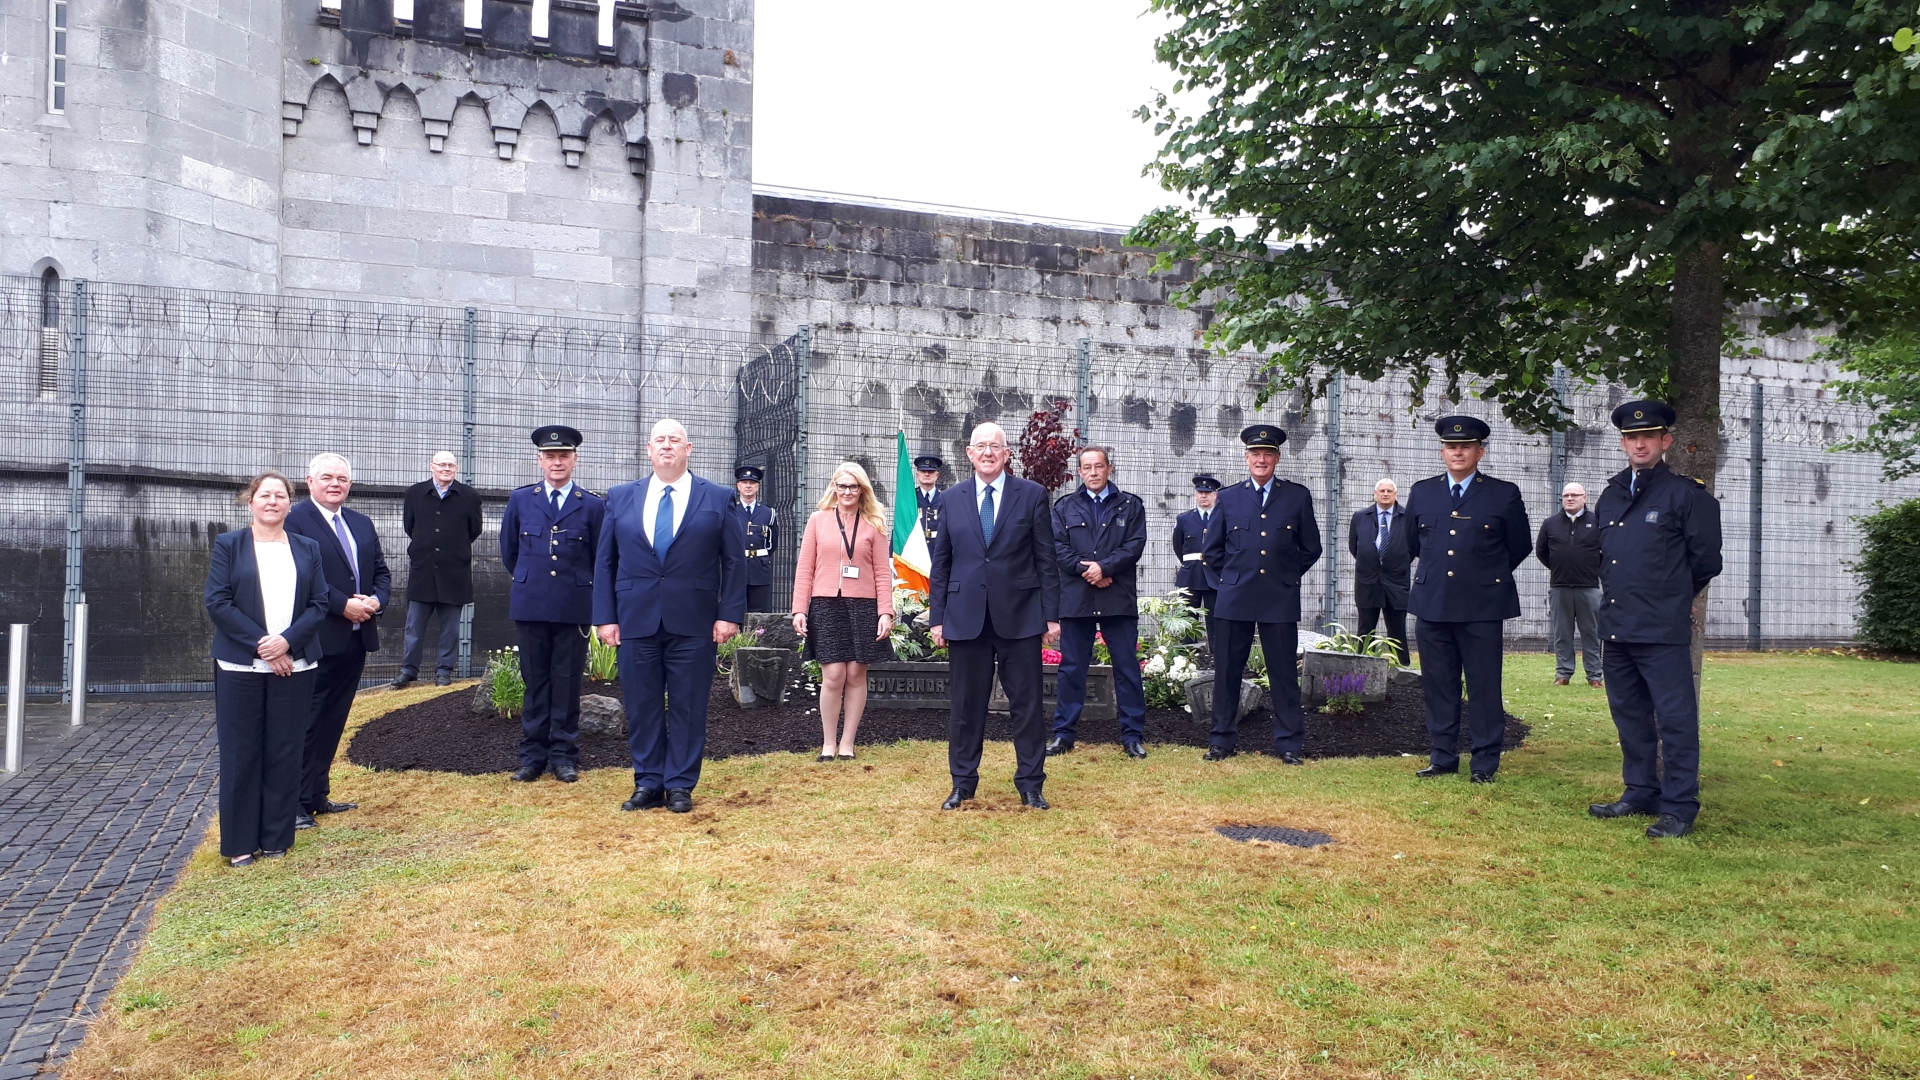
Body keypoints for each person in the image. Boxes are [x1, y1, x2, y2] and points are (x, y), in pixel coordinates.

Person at [593, 418, 746, 815]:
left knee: (688, 705)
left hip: (694, 621)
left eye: (674, 440)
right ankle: (647, 782)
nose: (666, 446)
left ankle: (679, 784)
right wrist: (605, 617)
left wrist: (728, 614)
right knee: (642, 705)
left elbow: (734, 562)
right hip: (634, 618)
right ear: (648, 449)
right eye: (659, 440)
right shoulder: (621, 497)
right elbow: (605, 563)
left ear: (688, 449)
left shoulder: (716, 497)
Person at [1589, 401, 1724, 839]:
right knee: (1629, 714)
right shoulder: (1612, 493)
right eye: (1631, 437)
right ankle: (1640, 790)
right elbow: (1607, 556)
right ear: (1623, 443)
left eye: (1648, 436)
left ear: (1665, 441)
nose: (1639, 443)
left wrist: (1672, 596)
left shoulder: (1687, 495)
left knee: (1675, 718)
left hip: (1662, 629)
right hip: (1617, 624)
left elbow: (1705, 562)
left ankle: (1680, 805)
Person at [929, 422, 1062, 810]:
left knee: (1027, 705)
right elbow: (942, 563)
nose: (988, 452)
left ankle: (1031, 784)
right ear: (969, 454)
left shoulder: (1033, 495)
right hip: (965, 616)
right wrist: (937, 618)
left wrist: (1050, 616)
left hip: (1020, 616)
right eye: (980, 446)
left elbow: (1046, 559)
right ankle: (962, 783)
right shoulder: (951, 498)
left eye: (995, 447)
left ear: (1007, 454)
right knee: (966, 707)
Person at [205, 471, 331, 866]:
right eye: (265, 495)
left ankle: (277, 838)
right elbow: (218, 601)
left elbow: (320, 603)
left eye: (280, 496)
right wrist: (265, 645)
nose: (272, 501)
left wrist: (287, 643)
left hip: (295, 664)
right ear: (251, 501)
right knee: (242, 753)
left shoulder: (307, 547)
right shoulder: (229, 544)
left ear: (290, 504)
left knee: (285, 751)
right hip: (241, 665)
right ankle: (241, 844)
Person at [1403, 416, 1531, 783]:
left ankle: (1484, 762)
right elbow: (1413, 543)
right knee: (1439, 683)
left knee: (1483, 686)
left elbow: (1518, 545)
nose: (1457, 452)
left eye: (1465, 446)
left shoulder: (1502, 493)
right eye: (1451, 446)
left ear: (1480, 451)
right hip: (1433, 603)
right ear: (1443, 451)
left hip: (1481, 606)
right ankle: (1442, 757)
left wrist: (1482, 576)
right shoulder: (1423, 491)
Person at [1200, 424, 1322, 764]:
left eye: (1268, 454)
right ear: (1246, 458)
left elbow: (1311, 547)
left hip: (1278, 598)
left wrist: (1285, 576)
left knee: (1283, 673)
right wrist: (1232, 579)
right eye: (1255, 454)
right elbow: (1212, 550)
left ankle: (1288, 745)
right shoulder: (1228, 497)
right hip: (1234, 597)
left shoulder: (1297, 496)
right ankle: (1221, 741)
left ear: (1277, 458)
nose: (1261, 459)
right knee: (1227, 671)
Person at [284, 452, 390, 830]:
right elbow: (299, 576)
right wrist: (342, 605)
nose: (335, 484)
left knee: (334, 720)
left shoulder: (360, 523)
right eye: (327, 477)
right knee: (307, 722)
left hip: (357, 638)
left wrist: (376, 601)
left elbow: (381, 571)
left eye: (342, 478)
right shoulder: (295, 519)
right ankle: (293, 803)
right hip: (317, 639)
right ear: (309, 481)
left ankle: (317, 795)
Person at [500, 425, 607, 783]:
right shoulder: (521, 500)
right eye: (550, 456)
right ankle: (532, 757)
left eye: (564, 456)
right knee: (535, 681)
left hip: (573, 605)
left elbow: (599, 556)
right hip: (530, 604)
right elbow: (510, 552)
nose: (557, 462)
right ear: (539, 460)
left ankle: (564, 756)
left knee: (567, 681)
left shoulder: (592, 505)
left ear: (575, 459)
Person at [1047, 446, 1148, 759]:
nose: (1093, 472)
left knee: (1127, 668)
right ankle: (1064, 735)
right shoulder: (1064, 507)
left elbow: (1134, 545)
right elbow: (1057, 548)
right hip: (1077, 600)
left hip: (1117, 598)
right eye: (1087, 467)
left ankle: (1132, 736)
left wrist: (1105, 568)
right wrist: (1088, 570)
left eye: (1098, 466)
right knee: (1072, 669)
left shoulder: (1130, 505)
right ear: (1079, 471)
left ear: (1109, 468)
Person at [790, 463, 896, 761]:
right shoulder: (817, 520)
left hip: (863, 605)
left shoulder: (874, 524)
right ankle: (827, 743)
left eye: (853, 486)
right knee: (834, 674)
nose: (847, 492)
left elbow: (882, 573)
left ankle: (847, 743)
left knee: (855, 674)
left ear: (862, 490)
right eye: (842, 486)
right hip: (825, 604)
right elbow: (804, 568)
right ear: (833, 488)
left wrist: (885, 611)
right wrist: (799, 608)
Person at [391, 450, 483, 688]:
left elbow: (474, 530)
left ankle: (444, 671)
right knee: (414, 627)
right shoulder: (415, 493)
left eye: (451, 465)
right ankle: (409, 670)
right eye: (441, 464)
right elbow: (410, 526)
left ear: (456, 469)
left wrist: (453, 549)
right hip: (422, 571)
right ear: (432, 467)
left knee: (451, 628)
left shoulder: (469, 496)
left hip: (455, 573)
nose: (446, 469)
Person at [1536, 482, 1604, 687]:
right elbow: (1542, 552)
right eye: (1566, 495)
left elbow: (1607, 552)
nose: (1570, 498)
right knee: (1561, 633)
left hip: (1589, 587)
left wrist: (1592, 569)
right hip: (1560, 587)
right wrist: (1559, 567)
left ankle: (1595, 676)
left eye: (1575, 495)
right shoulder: (1550, 523)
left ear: (1585, 497)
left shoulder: (1598, 522)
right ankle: (1563, 674)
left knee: (1591, 633)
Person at [1348, 478, 1411, 665]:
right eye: (1381, 491)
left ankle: (1403, 669)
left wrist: (1395, 562)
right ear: (1375, 494)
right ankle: (1362, 667)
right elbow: (1355, 547)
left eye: (1389, 491)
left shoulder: (1407, 517)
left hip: (1397, 582)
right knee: (1365, 629)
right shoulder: (1360, 517)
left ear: (1395, 494)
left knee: (1397, 630)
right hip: (1367, 582)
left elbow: (1413, 548)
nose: (1385, 494)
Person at [1171, 474, 1222, 660]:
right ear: (1195, 495)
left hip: (1214, 576)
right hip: (1190, 575)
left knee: (1215, 619)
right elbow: (1178, 546)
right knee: (1188, 619)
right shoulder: (1184, 519)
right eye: (1200, 492)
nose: (1204, 496)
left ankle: (1218, 657)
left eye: (1208, 493)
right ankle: (1188, 657)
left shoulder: (1222, 518)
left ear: (1215, 496)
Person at [731, 465, 779, 613]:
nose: (748, 486)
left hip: (760, 568)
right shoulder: (731, 510)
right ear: (738, 486)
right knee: (735, 609)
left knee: (758, 613)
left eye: (752, 483)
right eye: (744, 483)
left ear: (757, 487)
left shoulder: (768, 512)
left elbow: (772, 543)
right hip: (736, 567)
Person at [912, 454, 945, 546]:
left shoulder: (945, 498)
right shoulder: (911, 498)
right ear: (917, 474)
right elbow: (900, 527)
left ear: (937, 475)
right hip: (914, 550)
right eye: (923, 471)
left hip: (937, 550)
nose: (927, 474)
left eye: (931, 471)